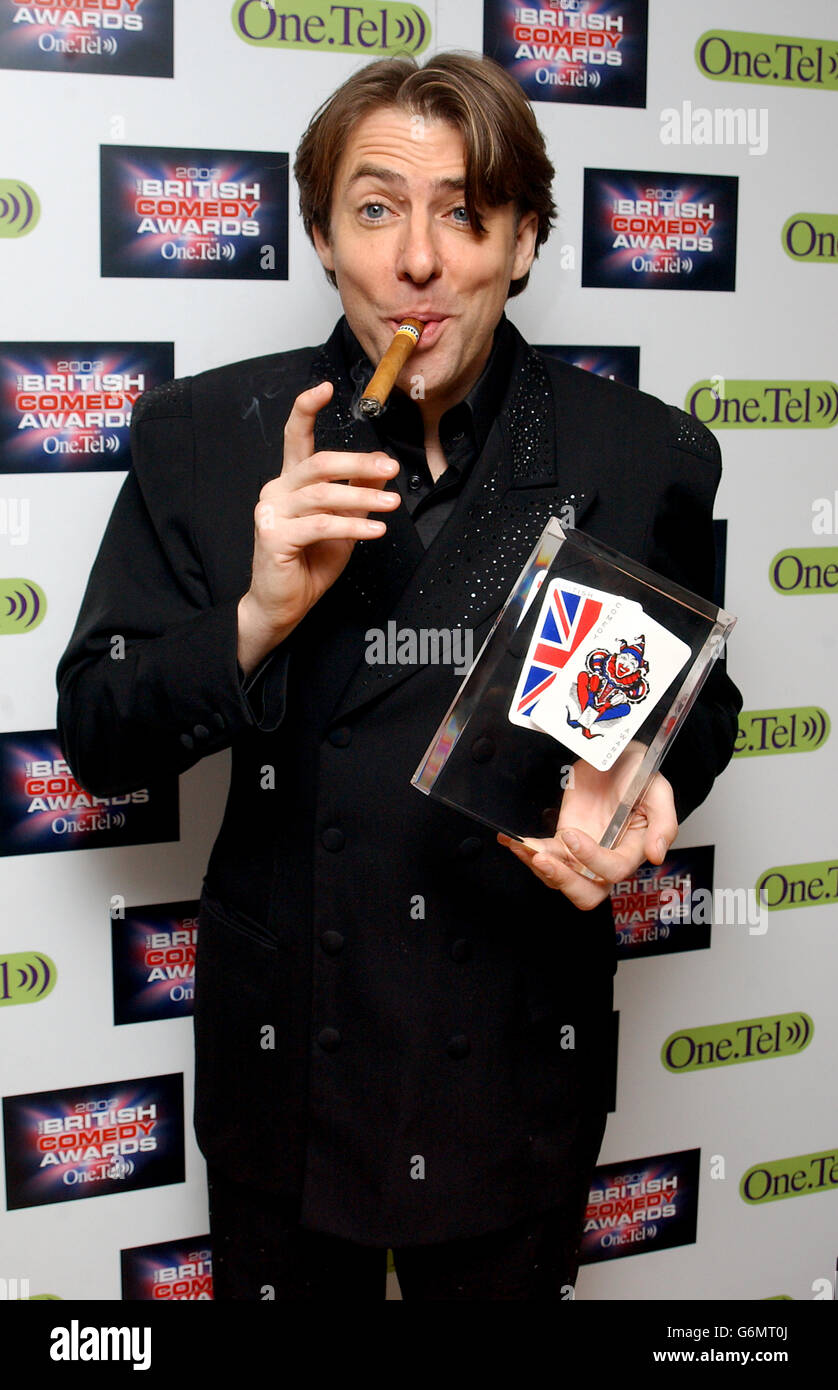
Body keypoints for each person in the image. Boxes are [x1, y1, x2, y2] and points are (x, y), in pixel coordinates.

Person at [56, 52, 742, 1300]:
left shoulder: (639, 454)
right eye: (375, 209)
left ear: (524, 241)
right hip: (291, 1064)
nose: (417, 262)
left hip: (516, 1059)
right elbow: (100, 735)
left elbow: (696, 704)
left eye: (464, 212)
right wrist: (259, 613)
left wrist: (647, 774)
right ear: (323, 237)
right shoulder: (204, 440)